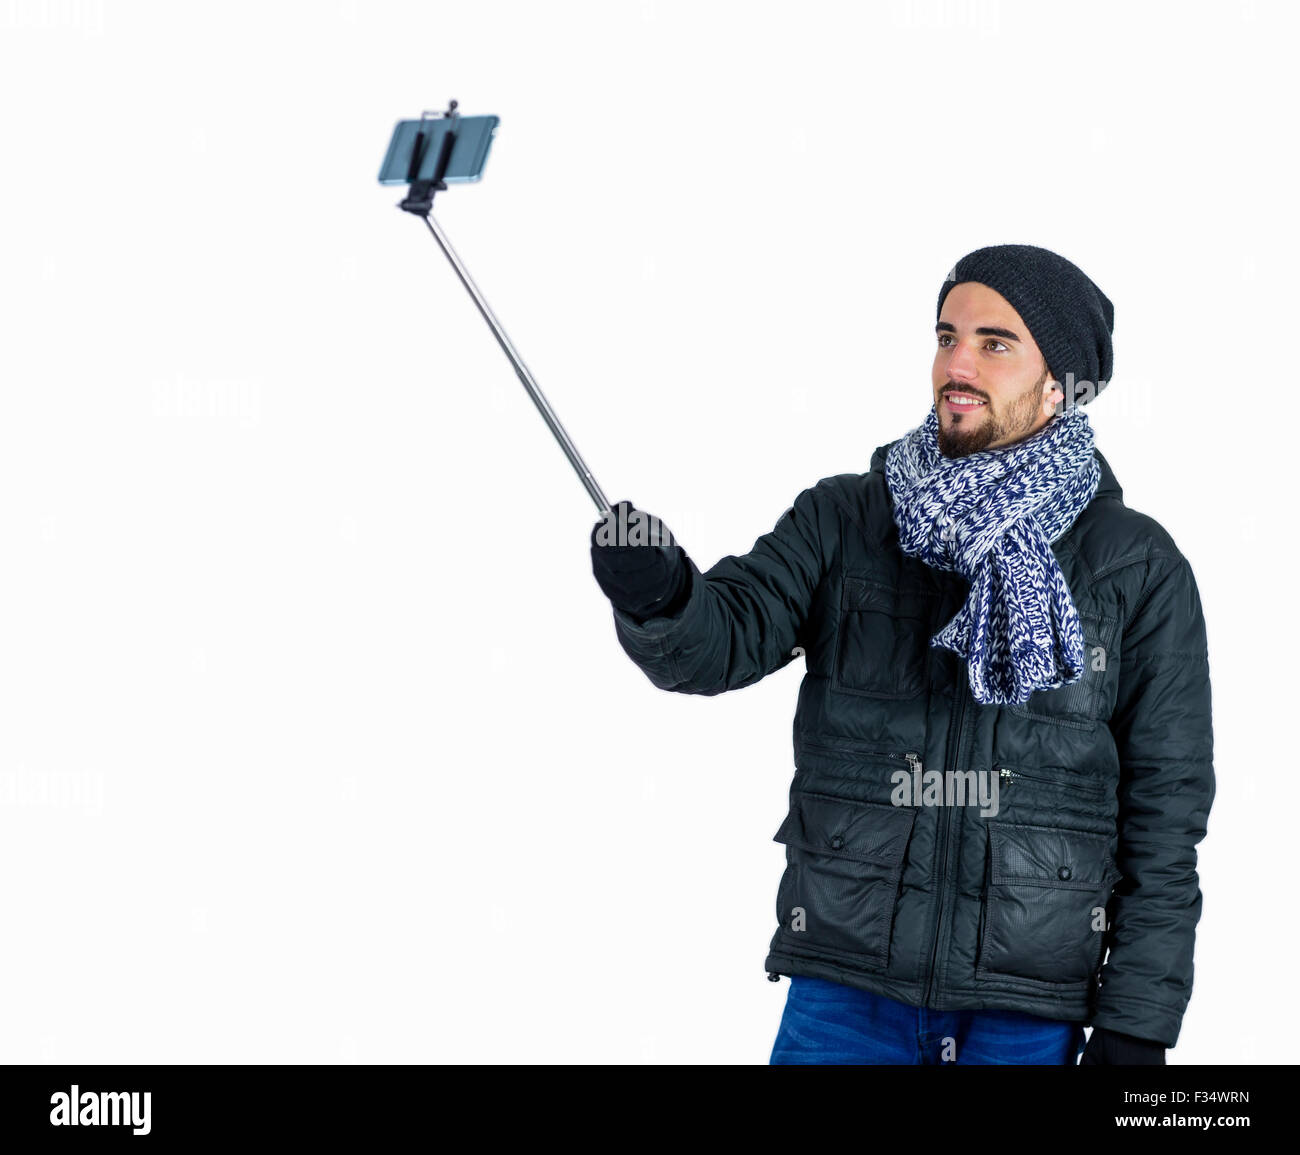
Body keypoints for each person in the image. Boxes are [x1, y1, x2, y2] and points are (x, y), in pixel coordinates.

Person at [590, 244, 1214, 1065]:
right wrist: (661, 594)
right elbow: (722, 639)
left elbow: (1166, 815)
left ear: (1060, 383)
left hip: (1025, 1013)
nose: (958, 363)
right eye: (946, 334)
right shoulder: (848, 518)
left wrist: (1137, 1021)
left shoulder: (1137, 565)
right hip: (845, 997)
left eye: (995, 343)